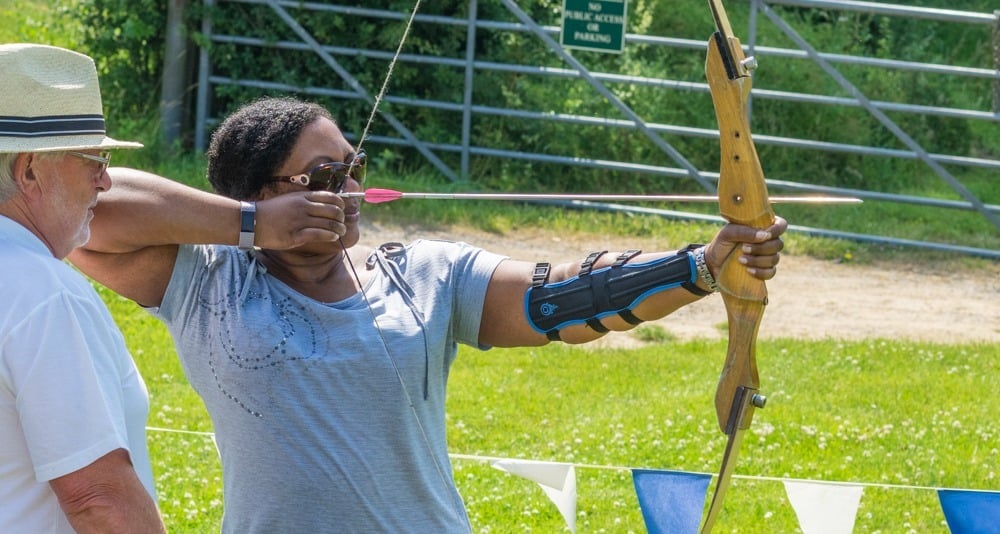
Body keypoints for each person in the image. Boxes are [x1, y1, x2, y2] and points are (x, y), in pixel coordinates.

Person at [69, 96, 787, 532]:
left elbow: (561, 298)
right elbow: (92, 209)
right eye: (323, 178)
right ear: (262, 191)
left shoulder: (421, 275)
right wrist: (257, 227)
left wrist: (699, 266)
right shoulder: (205, 280)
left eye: (352, 166)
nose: (349, 186)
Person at [0, 44, 166, 532]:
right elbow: (97, 498)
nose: (106, 180)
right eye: (94, 157)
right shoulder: (44, 293)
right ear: (28, 170)